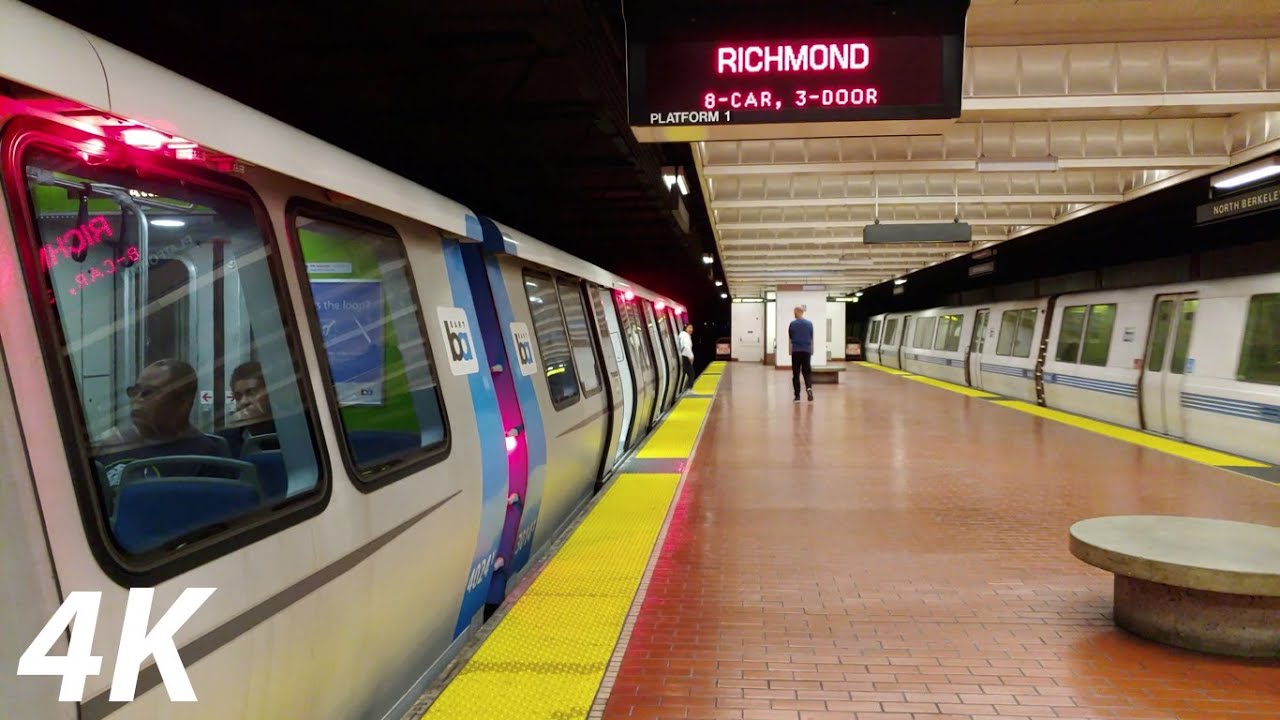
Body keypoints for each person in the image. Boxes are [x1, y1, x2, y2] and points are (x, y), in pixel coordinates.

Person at [93, 358, 231, 493]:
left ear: (183, 403)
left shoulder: (210, 456)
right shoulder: (112, 446)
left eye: (149, 392)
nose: (138, 399)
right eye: (135, 391)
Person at [221, 361, 277, 457]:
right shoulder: (226, 441)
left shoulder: (290, 431)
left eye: (251, 392)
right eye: (238, 396)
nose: (244, 402)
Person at [788, 305, 814, 402]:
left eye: (794, 312)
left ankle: (797, 396)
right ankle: (809, 388)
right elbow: (811, 337)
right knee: (807, 372)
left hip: (796, 351)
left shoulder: (792, 324)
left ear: (797, 312)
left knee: (796, 374)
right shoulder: (809, 324)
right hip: (806, 351)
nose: (794, 314)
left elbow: (790, 336)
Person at [678, 323, 695, 392]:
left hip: (683, 356)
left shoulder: (682, 335)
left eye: (692, 328)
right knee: (692, 374)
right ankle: (688, 390)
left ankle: (684, 389)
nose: (691, 329)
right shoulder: (686, 336)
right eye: (689, 327)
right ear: (685, 328)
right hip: (686, 357)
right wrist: (691, 357)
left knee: (686, 373)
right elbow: (686, 347)